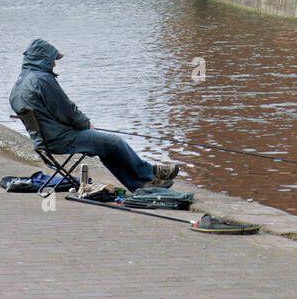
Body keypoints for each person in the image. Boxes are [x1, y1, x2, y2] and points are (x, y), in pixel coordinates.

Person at [9, 38, 178, 193]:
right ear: (42, 58)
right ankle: (150, 173)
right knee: (115, 142)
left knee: (106, 147)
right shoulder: (42, 79)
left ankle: (140, 185)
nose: (54, 64)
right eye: (53, 59)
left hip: (44, 140)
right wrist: (85, 124)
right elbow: (66, 111)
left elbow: (51, 114)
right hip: (60, 139)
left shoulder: (21, 81)